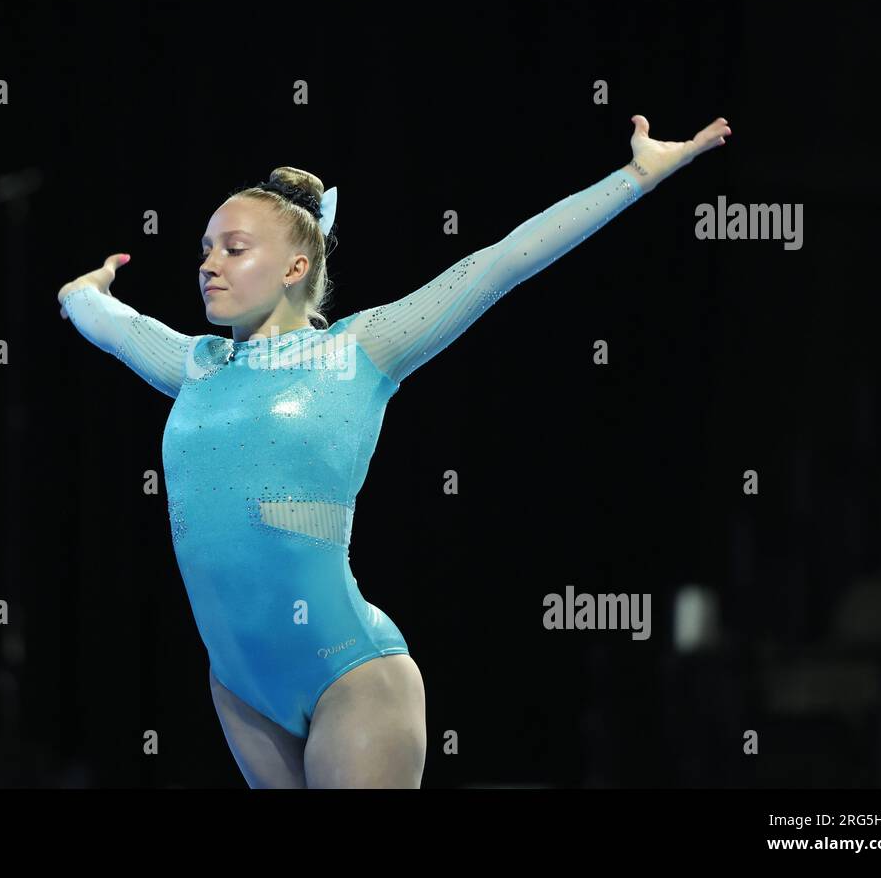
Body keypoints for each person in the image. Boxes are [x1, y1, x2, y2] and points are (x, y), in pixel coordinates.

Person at [58, 115, 731, 787]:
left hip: (349, 672)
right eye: (206, 247)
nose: (208, 263)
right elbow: (107, 321)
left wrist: (636, 176)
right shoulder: (195, 365)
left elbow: (500, 262)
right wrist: (81, 290)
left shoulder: (358, 351)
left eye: (234, 248)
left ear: (297, 265)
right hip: (238, 686)